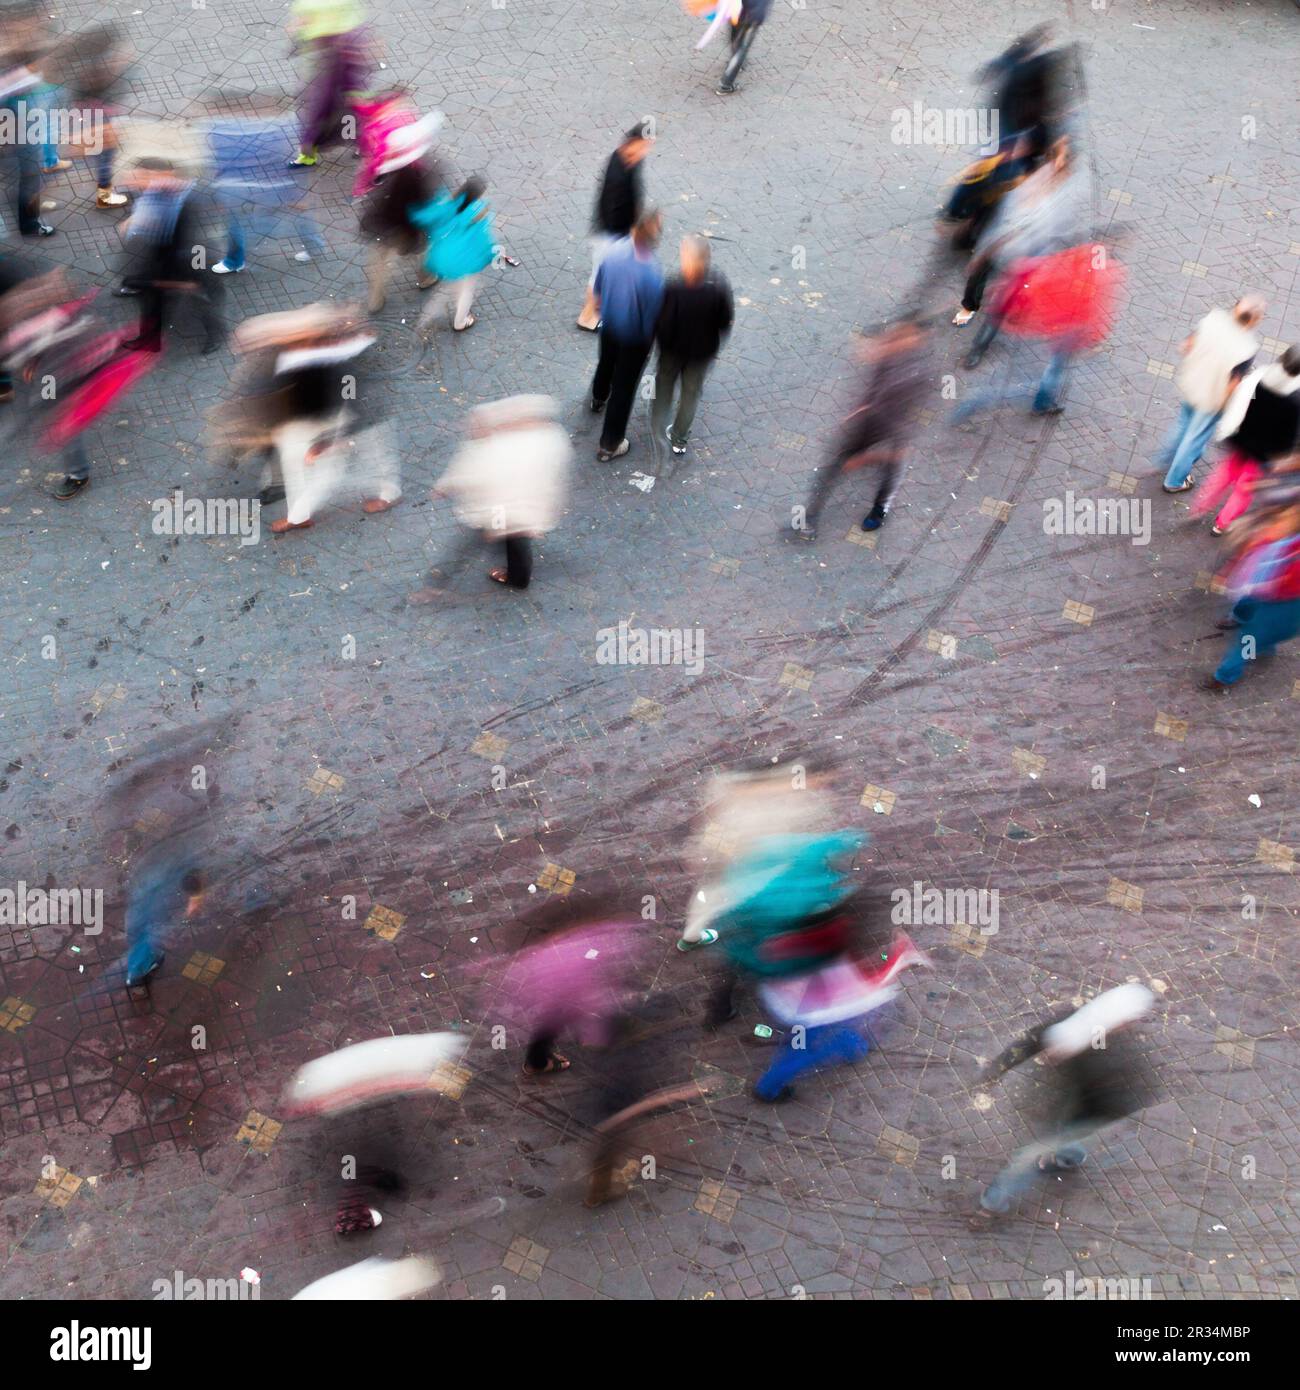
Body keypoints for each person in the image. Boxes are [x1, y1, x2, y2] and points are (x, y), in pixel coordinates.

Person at [973, 984, 1157, 1222]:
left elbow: (1120, 1095)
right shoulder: (1080, 1035)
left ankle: (996, 1201)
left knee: (1033, 1155)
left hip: (1083, 1113)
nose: (1051, 1055)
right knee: (1057, 1146)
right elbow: (1032, 1041)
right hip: (1079, 1110)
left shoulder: (1102, 1054)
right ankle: (1061, 1163)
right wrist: (997, 1070)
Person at [419, 394, 571, 595]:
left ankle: (436, 585)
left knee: (474, 541)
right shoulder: (547, 439)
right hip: (515, 512)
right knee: (514, 542)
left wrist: (446, 487)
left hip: (501, 511)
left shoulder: (501, 448)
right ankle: (516, 574)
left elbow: (476, 478)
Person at [955, 135, 1088, 366]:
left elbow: (1055, 230)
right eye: (1058, 156)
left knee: (1004, 301)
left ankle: (980, 346)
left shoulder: (1066, 194)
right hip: (1001, 240)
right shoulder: (1035, 174)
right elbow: (1006, 210)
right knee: (978, 275)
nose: (1058, 163)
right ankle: (969, 306)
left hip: (1027, 254)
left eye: (1063, 159)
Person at [798, 316, 929, 538]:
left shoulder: (916, 376)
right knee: (836, 463)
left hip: (893, 431)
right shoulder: (889, 357)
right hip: (869, 420)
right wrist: (860, 408)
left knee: (890, 470)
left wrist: (866, 458)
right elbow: (875, 387)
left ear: (910, 341)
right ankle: (811, 515)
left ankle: (880, 509)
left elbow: (902, 430)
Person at [1156, 295, 1264, 495]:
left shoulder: (1213, 319)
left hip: (1192, 384)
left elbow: (1187, 346)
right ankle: (1175, 480)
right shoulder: (1246, 348)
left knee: (1182, 424)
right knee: (1194, 439)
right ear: (1253, 320)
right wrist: (1226, 407)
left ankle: (1165, 458)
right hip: (1211, 400)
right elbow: (1233, 384)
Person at [205, 101, 328, 275]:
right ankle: (314, 246)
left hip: (262, 183)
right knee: (294, 213)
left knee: (245, 220)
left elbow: (286, 153)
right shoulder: (222, 126)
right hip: (251, 183)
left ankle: (235, 260)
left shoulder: (226, 126)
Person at [118, 158, 223, 355]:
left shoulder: (190, 200)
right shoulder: (154, 191)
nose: (139, 181)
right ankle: (150, 340)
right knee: (151, 300)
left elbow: (197, 244)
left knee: (199, 300)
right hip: (159, 258)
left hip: (188, 259)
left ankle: (215, 333)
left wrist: (194, 277)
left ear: (166, 176)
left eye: (145, 176)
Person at [1193, 346, 1300, 534]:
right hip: (1263, 455)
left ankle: (1201, 506)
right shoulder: (1295, 400)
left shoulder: (1264, 379)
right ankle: (1221, 524)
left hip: (1241, 440)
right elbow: (1287, 438)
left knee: (1223, 475)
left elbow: (1246, 404)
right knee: (1243, 491)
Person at [1205, 482, 1300, 692]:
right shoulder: (1278, 533)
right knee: (1249, 608)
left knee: (1248, 640)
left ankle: (1225, 677)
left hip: (1283, 602)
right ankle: (1255, 635)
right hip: (1263, 591)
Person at [590, 208, 664, 462]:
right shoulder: (652, 272)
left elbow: (597, 288)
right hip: (635, 337)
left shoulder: (613, 252)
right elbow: (654, 313)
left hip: (610, 324)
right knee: (624, 386)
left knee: (606, 363)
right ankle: (610, 443)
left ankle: (598, 397)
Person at [651, 233, 733, 457]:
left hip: (672, 351)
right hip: (701, 353)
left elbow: (662, 323)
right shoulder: (718, 288)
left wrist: (661, 344)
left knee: (664, 383)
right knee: (691, 393)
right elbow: (724, 322)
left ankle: (657, 422)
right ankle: (679, 438)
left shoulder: (674, 289)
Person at [356, 112, 444, 311]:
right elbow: (427, 198)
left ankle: (375, 299)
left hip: (384, 219)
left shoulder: (389, 166)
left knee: (380, 257)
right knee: (421, 250)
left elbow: (372, 182)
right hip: (410, 223)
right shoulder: (420, 172)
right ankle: (426, 278)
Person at [577, 124, 652, 331]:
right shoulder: (618, 173)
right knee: (599, 275)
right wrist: (628, 233)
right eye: (645, 146)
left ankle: (601, 304)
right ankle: (586, 317)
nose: (646, 151)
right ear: (634, 143)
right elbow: (612, 208)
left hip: (618, 232)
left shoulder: (627, 159)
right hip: (611, 234)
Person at [286, 0, 370, 168]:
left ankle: (361, 146)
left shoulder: (343, 40)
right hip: (329, 84)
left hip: (336, 87)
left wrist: (354, 92)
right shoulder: (331, 35)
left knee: (339, 116)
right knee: (334, 117)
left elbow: (352, 71)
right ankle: (309, 153)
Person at [410, 175, 494, 333]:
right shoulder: (478, 213)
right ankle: (460, 321)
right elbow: (482, 240)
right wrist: (491, 253)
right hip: (463, 260)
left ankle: (457, 306)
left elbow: (426, 217)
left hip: (440, 257)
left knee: (457, 283)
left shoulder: (448, 204)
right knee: (466, 291)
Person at [716, 0, 771, 95]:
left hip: (734, 10)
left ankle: (734, 61)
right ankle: (725, 85)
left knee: (735, 36)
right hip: (751, 16)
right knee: (743, 48)